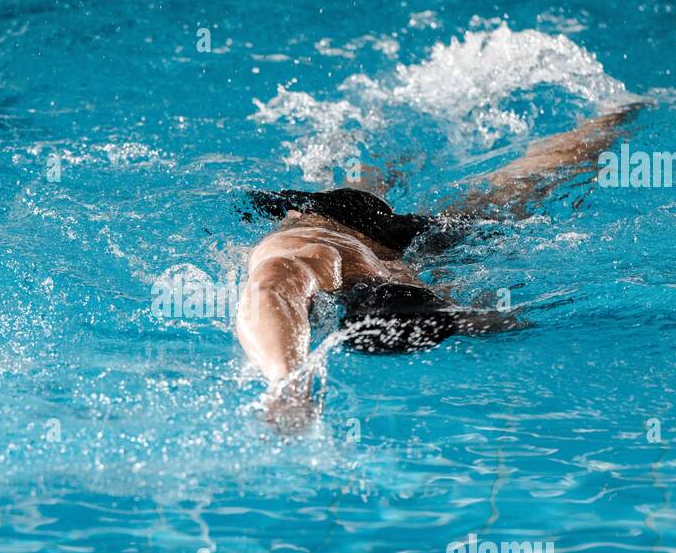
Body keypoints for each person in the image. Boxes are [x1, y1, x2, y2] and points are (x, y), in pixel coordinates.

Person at [235, 104, 642, 429]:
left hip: (348, 218)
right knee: (518, 188)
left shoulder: (317, 255)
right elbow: (270, 293)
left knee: (515, 189)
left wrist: (285, 382)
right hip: (416, 248)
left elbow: (270, 290)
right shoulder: (348, 268)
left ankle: (380, 126)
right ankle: (613, 116)